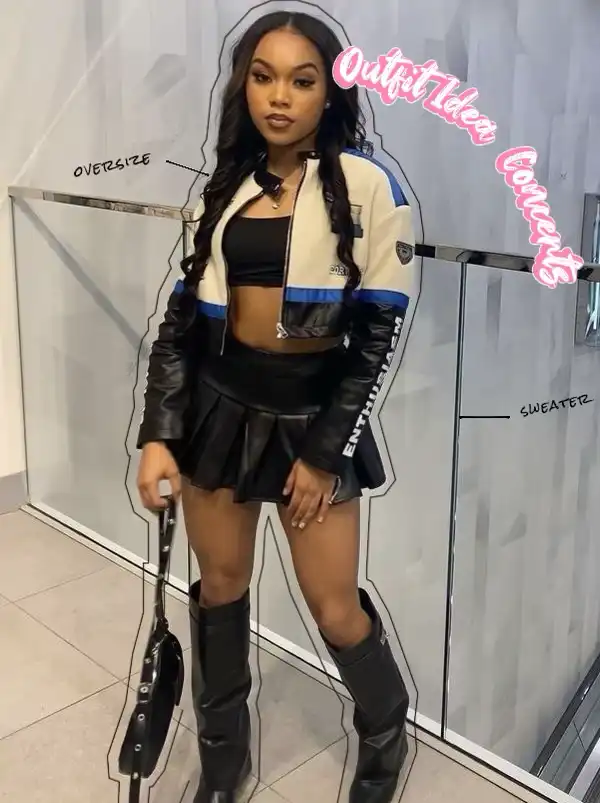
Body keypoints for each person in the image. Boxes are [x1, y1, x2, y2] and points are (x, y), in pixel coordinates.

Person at [136, 10, 418, 803]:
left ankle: (386, 733)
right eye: (263, 77)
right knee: (220, 587)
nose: (280, 97)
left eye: (302, 79)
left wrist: (325, 453)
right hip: (220, 410)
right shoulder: (226, 187)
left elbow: (375, 340)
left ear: (331, 91)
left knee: (333, 605)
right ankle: (222, 762)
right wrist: (160, 434)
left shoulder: (369, 186)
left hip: (310, 417)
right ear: (244, 87)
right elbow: (180, 326)